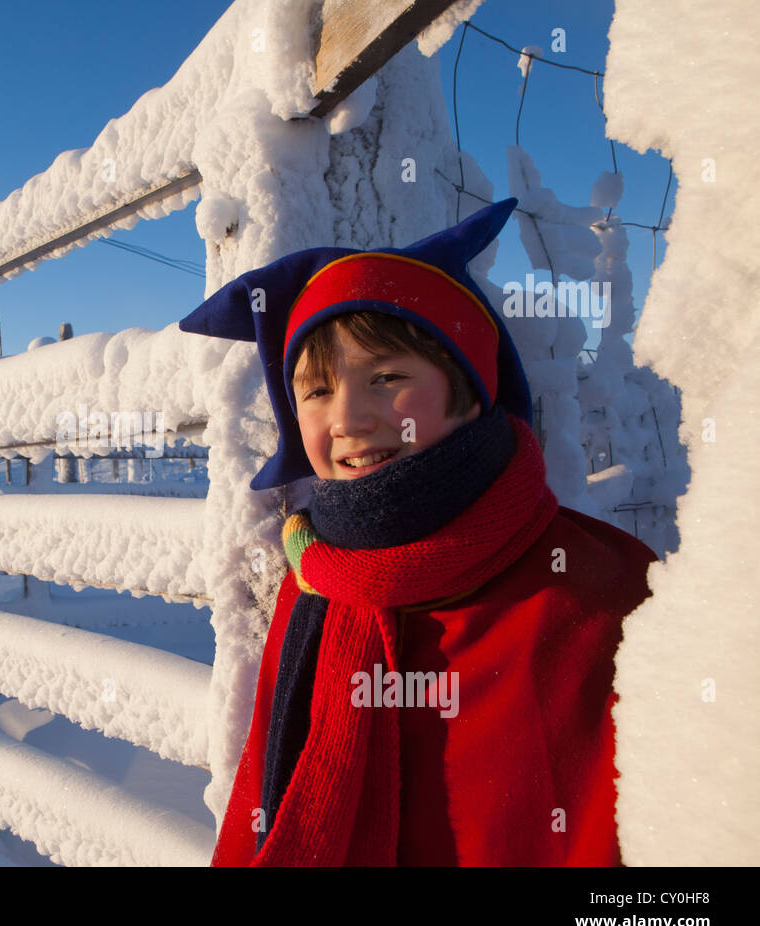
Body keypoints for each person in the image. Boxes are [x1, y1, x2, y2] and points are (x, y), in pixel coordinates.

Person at [179, 198, 657, 866]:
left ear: (466, 391)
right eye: (315, 390)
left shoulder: (596, 592)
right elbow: (267, 792)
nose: (348, 418)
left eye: (387, 377)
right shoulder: (313, 582)